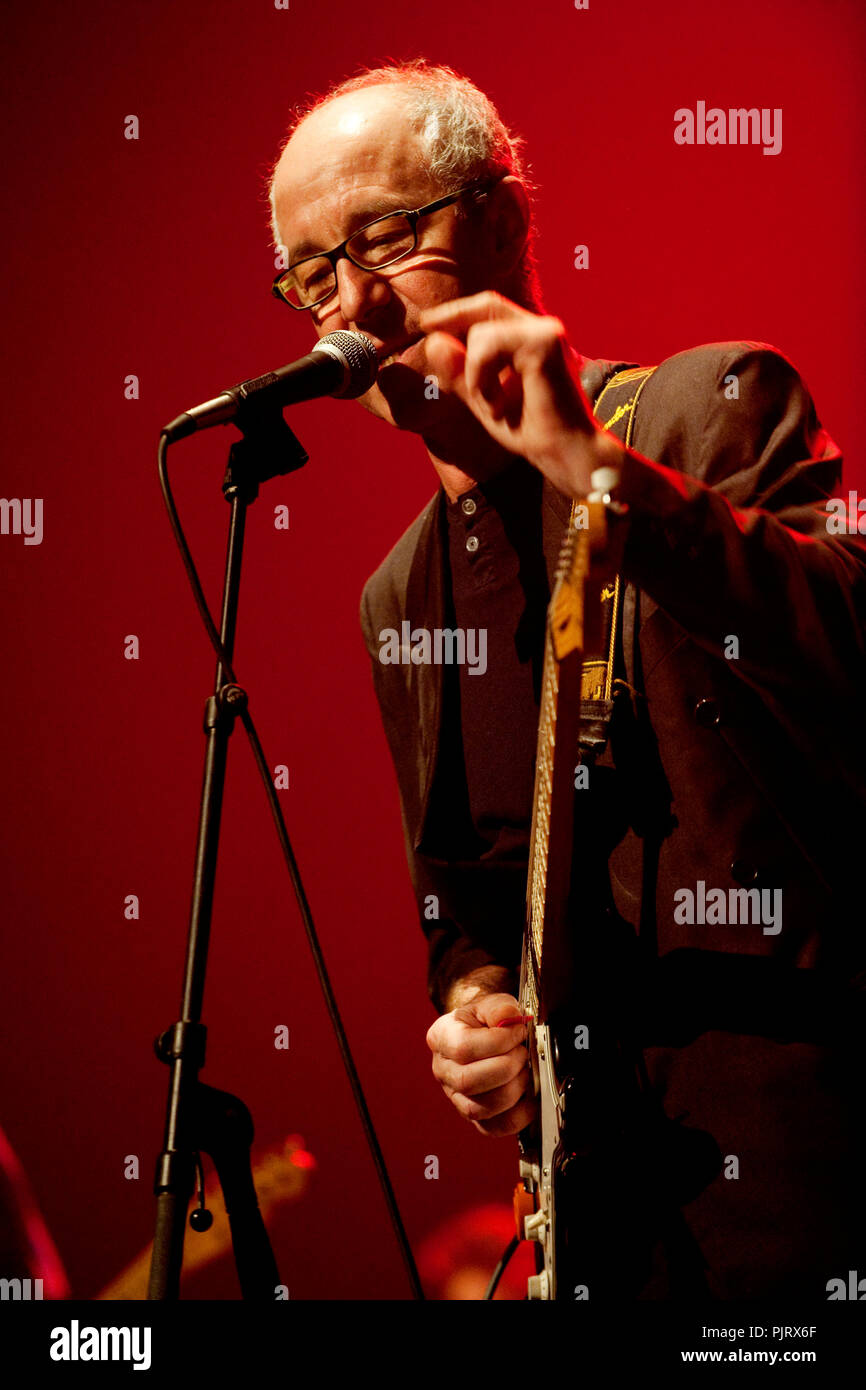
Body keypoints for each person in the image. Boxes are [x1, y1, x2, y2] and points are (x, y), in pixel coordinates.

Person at [267, 59, 866, 1298]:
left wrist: (592, 471)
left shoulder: (699, 408)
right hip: (600, 1220)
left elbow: (848, 641)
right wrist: (473, 1009)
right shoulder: (399, 596)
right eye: (312, 273)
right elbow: (465, 897)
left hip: (810, 1177)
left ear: (499, 215)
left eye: (383, 236)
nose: (351, 302)